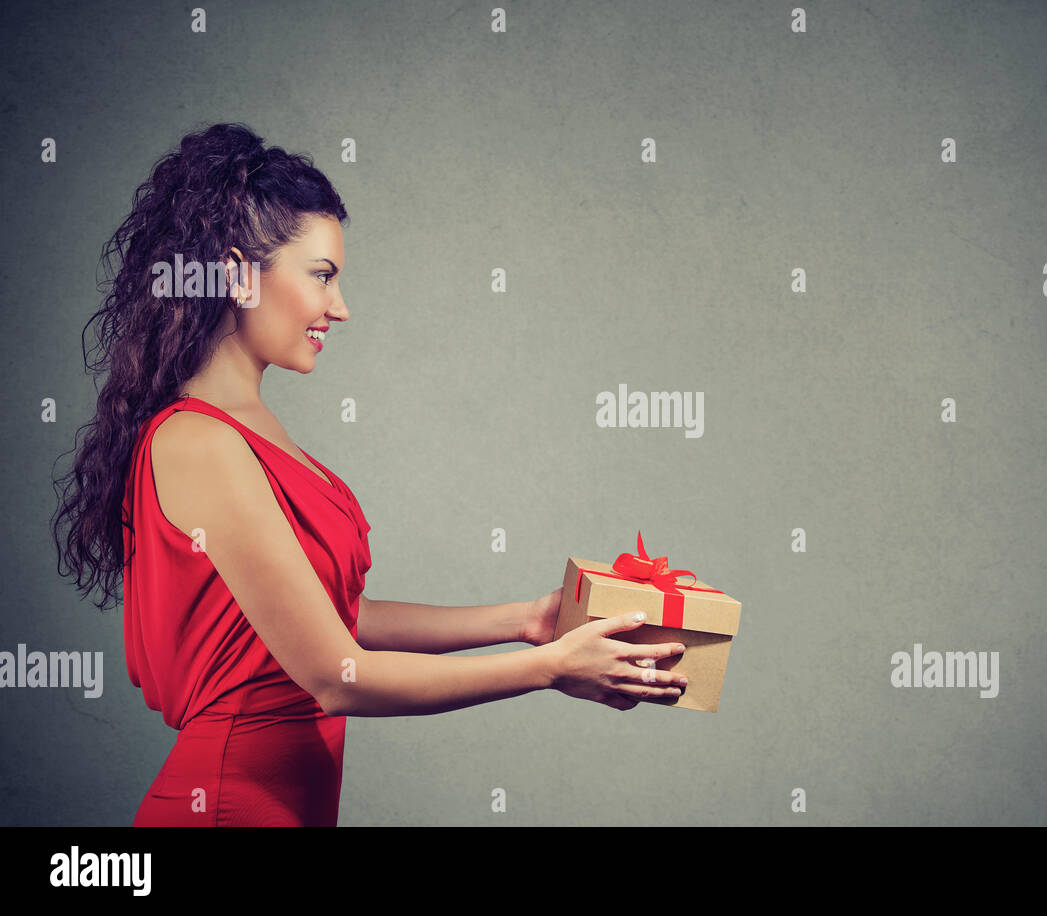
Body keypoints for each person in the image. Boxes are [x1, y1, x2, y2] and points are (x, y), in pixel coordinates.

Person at [50, 122, 687, 826]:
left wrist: (527, 622)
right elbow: (332, 675)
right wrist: (549, 670)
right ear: (235, 274)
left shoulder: (249, 428)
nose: (341, 307)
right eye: (322, 276)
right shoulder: (196, 442)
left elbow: (332, 620)